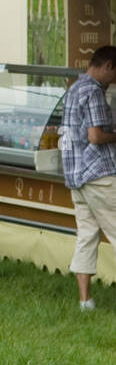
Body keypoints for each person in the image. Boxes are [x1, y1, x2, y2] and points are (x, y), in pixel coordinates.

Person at [60, 45, 116, 310]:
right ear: (107, 66)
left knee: (86, 237)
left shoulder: (74, 89)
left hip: (76, 176)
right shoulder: (94, 91)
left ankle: (85, 301)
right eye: (115, 74)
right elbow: (95, 136)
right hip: (98, 175)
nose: (114, 81)